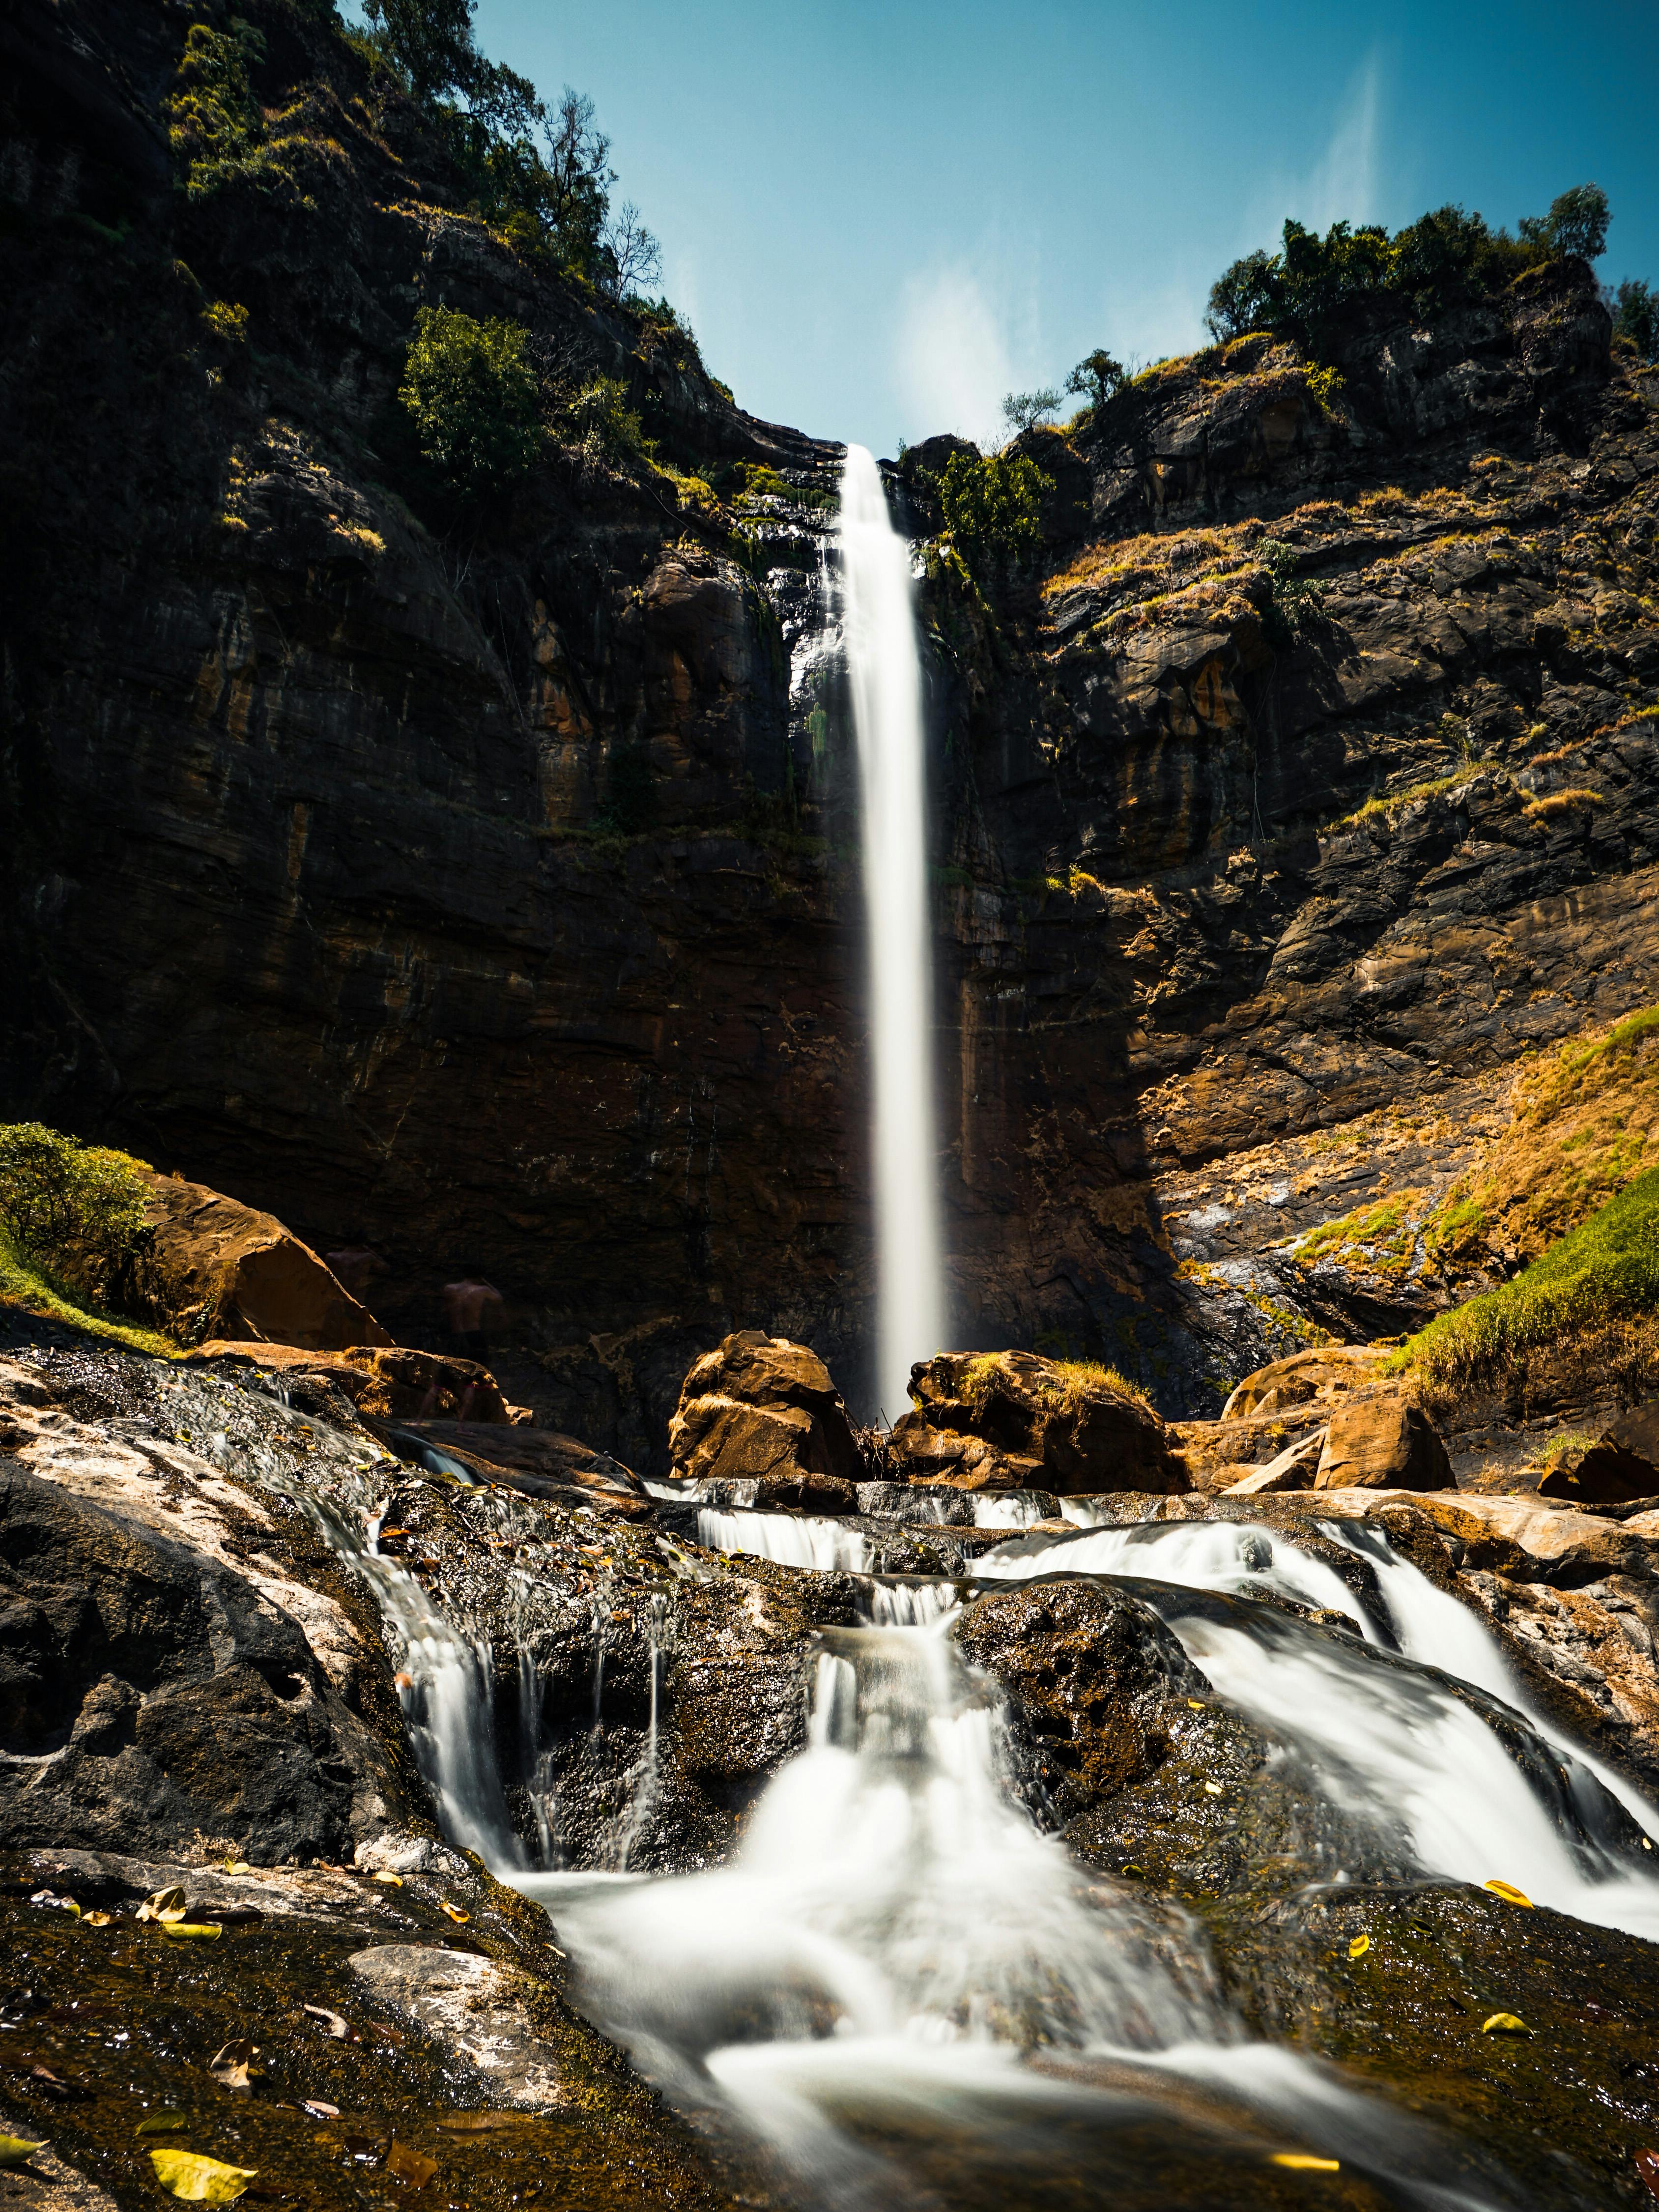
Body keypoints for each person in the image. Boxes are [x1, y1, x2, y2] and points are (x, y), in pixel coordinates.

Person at [443, 1278, 505, 1360]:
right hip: (473, 1333)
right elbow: (499, 1299)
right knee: (480, 1366)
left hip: (455, 1333)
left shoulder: (449, 1288)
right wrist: (486, 1282)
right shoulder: (482, 1290)